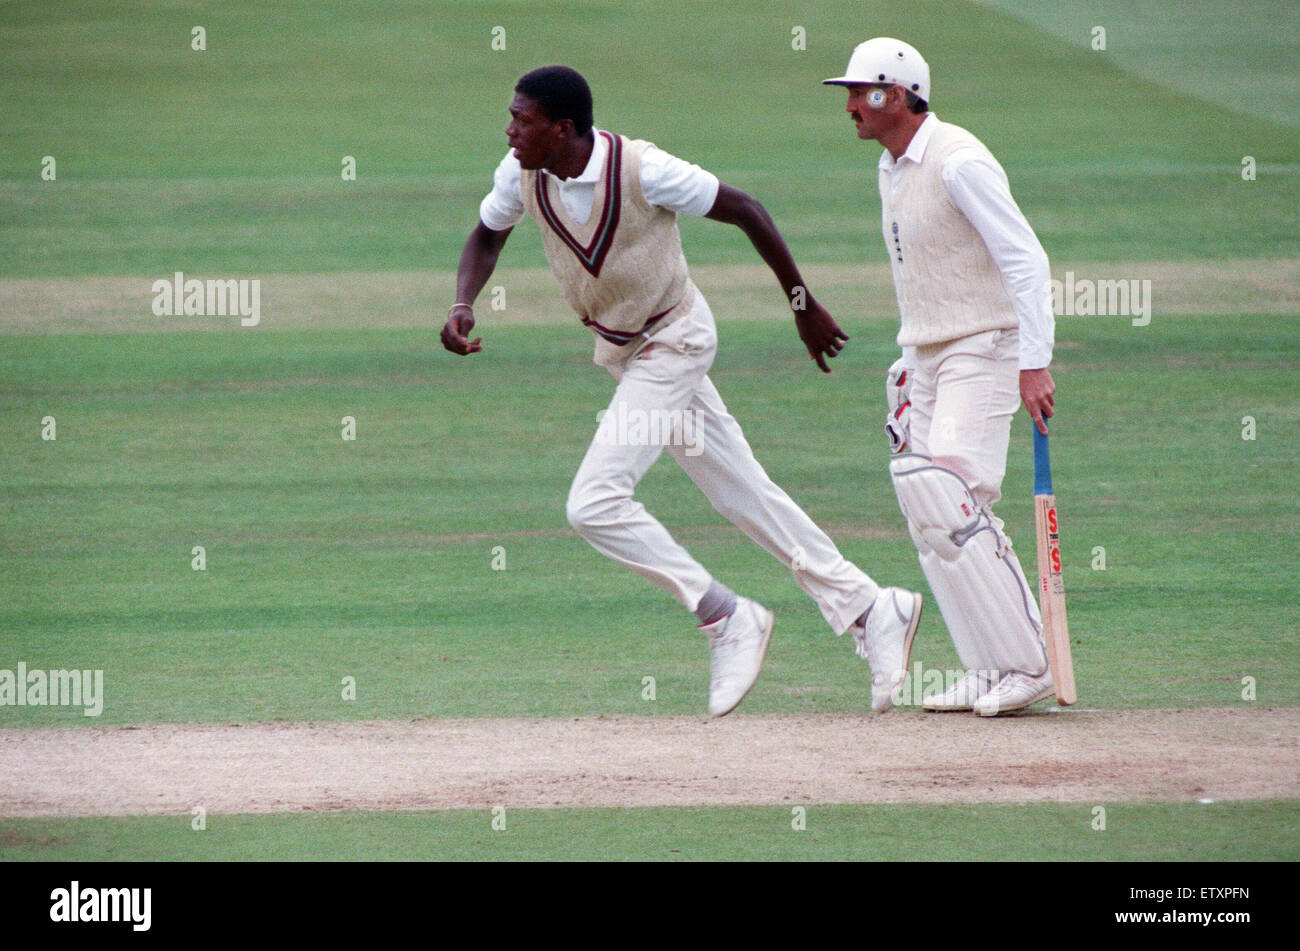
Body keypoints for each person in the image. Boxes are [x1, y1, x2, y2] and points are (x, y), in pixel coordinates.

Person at [441, 65, 922, 717]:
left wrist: (802, 304)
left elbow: (746, 209)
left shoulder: (646, 168)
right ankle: (870, 608)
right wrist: (463, 302)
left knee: (594, 502)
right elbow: (486, 234)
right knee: (742, 491)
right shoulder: (519, 173)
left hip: (677, 339)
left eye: (521, 119)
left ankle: (725, 616)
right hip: (627, 353)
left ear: (560, 128)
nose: (509, 129)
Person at [823, 39, 1057, 715]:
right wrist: (908, 356)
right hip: (927, 354)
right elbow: (919, 270)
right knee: (929, 512)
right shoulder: (889, 167)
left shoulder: (958, 160)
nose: (849, 106)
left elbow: (1026, 260)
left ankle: (1030, 662)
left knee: (957, 493)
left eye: (860, 92)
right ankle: (988, 665)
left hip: (982, 347)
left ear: (895, 95)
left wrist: (1032, 360)